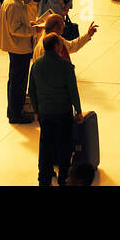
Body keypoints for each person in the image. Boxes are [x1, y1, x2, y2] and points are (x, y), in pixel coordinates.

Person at [28, 32, 84, 186]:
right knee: (64, 147)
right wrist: (78, 111)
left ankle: (43, 180)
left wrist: (36, 111)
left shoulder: (36, 65)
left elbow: (31, 90)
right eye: (60, 44)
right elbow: (73, 90)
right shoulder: (65, 65)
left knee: (45, 147)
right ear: (56, 46)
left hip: (45, 113)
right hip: (63, 113)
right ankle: (63, 178)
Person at [0, 0, 50, 123]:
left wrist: (30, 24)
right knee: (18, 83)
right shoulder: (14, 4)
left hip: (16, 47)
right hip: (19, 47)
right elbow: (15, 29)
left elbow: (18, 24)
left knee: (15, 81)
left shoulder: (12, 1)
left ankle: (13, 111)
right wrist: (35, 30)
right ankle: (16, 114)